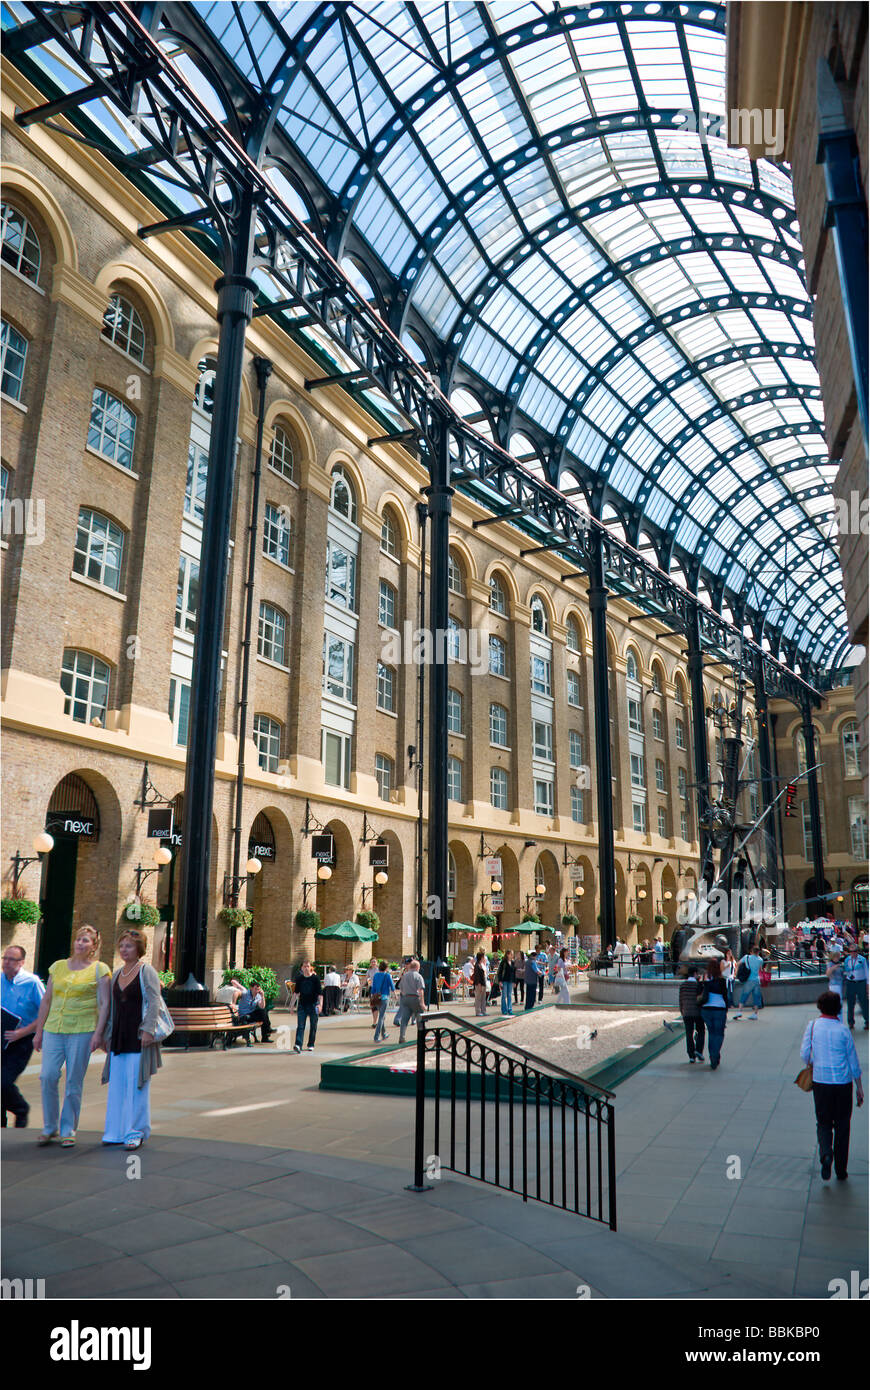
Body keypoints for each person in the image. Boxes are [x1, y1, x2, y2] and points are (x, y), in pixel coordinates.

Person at [33, 925, 111, 1147]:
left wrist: (99, 1032)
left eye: (85, 941)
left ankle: (68, 1128)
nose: (80, 943)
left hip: (82, 1030)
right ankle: (49, 1127)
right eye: (78, 939)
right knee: (47, 1076)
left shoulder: (100, 969)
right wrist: (39, 1031)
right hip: (54, 1029)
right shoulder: (57, 967)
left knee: (73, 1082)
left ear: (93, 946)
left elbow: (105, 1003)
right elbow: (47, 1000)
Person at [99, 929, 165, 1150]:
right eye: (122, 946)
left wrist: (148, 1030)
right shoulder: (117, 974)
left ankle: (136, 1132)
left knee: (137, 1086)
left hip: (138, 1036)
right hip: (119, 1035)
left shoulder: (147, 972)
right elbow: (111, 1008)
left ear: (139, 949)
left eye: (129, 946)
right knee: (117, 1085)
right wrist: (107, 1036)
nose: (124, 950)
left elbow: (154, 1002)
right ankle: (115, 1131)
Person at [800, 990, 864, 1181]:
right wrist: (859, 1088)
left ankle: (826, 1153)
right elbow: (853, 1061)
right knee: (843, 1125)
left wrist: (813, 1061)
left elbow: (804, 1054)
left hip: (821, 1081)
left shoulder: (812, 1027)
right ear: (838, 1009)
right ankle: (841, 1169)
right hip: (843, 1083)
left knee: (824, 1122)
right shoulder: (843, 1030)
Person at [2, 944, 45, 1128]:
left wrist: (22, 1032)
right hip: (2, 1036)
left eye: (12, 959)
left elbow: (45, 1011)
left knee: (3, 1082)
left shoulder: (32, 982)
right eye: (5, 958)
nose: (7, 962)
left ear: (21, 963)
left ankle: (20, 1109)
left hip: (22, 1040)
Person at [698, 958, 728, 1070]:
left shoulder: (705, 979)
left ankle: (713, 1055)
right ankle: (715, 1054)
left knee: (711, 1033)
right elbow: (725, 996)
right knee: (719, 1033)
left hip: (706, 1009)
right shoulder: (722, 981)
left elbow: (700, 991)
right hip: (719, 1009)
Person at [395, 958, 425, 1044]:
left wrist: (405, 996)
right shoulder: (418, 976)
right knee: (420, 1018)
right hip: (415, 998)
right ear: (417, 967)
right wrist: (422, 1003)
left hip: (405, 998)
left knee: (404, 1019)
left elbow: (401, 989)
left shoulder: (404, 976)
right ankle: (421, 1036)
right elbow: (421, 990)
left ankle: (402, 1037)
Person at [678, 965, 705, 1063]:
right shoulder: (698, 985)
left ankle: (691, 1055)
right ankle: (699, 1050)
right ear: (695, 974)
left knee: (689, 1034)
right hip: (698, 1012)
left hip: (687, 1012)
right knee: (701, 1031)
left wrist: (682, 1011)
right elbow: (701, 999)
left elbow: (681, 1000)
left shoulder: (683, 985)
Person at [293, 961, 322, 1051]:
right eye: (304, 966)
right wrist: (291, 1006)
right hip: (302, 1005)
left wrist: (320, 1005)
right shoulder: (299, 979)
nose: (306, 968)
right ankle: (298, 1044)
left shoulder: (315, 979)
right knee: (300, 1026)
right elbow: (296, 993)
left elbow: (320, 994)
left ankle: (311, 1044)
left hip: (313, 1004)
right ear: (301, 968)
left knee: (313, 1025)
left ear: (310, 967)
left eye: (308, 966)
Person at [732, 944, 763, 1020]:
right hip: (756, 980)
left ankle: (739, 1011)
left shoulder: (747, 957)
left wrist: (737, 971)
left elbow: (737, 964)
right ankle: (755, 1014)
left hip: (749, 980)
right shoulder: (760, 960)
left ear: (752, 951)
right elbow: (760, 970)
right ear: (758, 952)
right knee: (756, 997)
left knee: (744, 995)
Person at [843, 941, 869, 1029]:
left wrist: (868, 984)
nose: (853, 953)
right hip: (851, 983)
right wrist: (849, 976)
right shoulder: (847, 960)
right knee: (850, 1003)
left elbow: (867, 972)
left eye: (854, 951)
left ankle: (867, 1021)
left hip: (861, 982)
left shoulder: (862, 959)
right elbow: (846, 971)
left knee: (864, 1002)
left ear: (857, 951)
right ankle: (850, 1022)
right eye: (851, 951)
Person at [370, 959, 394, 1042]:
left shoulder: (376, 975)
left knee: (382, 1016)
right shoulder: (387, 975)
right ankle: (376, 1037)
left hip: (376, 997)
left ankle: (384, 1034)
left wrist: (372, 995)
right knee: (381, 1017)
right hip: (384, 998)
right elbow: (392, 987)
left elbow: (373, 987)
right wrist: (395, 995)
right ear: (386, 967)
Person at [826, 951, 845, 1019]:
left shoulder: (840, 964)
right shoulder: (830, 964)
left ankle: (840, 1018)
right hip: (833, 985)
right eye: (836, 956)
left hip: (840, 984)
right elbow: (828, 974)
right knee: (834, 1002)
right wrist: (834, 967)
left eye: (838, 956)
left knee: (840, 1002)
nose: (837, 958)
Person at [497, 951, 515, 1015]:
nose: (512, 955)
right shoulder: (503, 962)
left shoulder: (513, 962)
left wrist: (514, 981)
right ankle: (504, 1009)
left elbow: (514, 973)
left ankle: (510, 1009)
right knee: (504, 995)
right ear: (507, 955)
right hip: (504, 980)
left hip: (510, 981)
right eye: (511, 954)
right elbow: (499, 972)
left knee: (509, 995)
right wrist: (500, 981)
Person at [472, 950, 488, 1016]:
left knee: (483, 998)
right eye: (483, 957)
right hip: (479, 983)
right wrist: (479, 984)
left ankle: (483, 1011)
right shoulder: (477, 965)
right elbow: (477, 975)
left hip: (483, 982)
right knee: (478, 998)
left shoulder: (482, 964)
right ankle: (478, 1011)